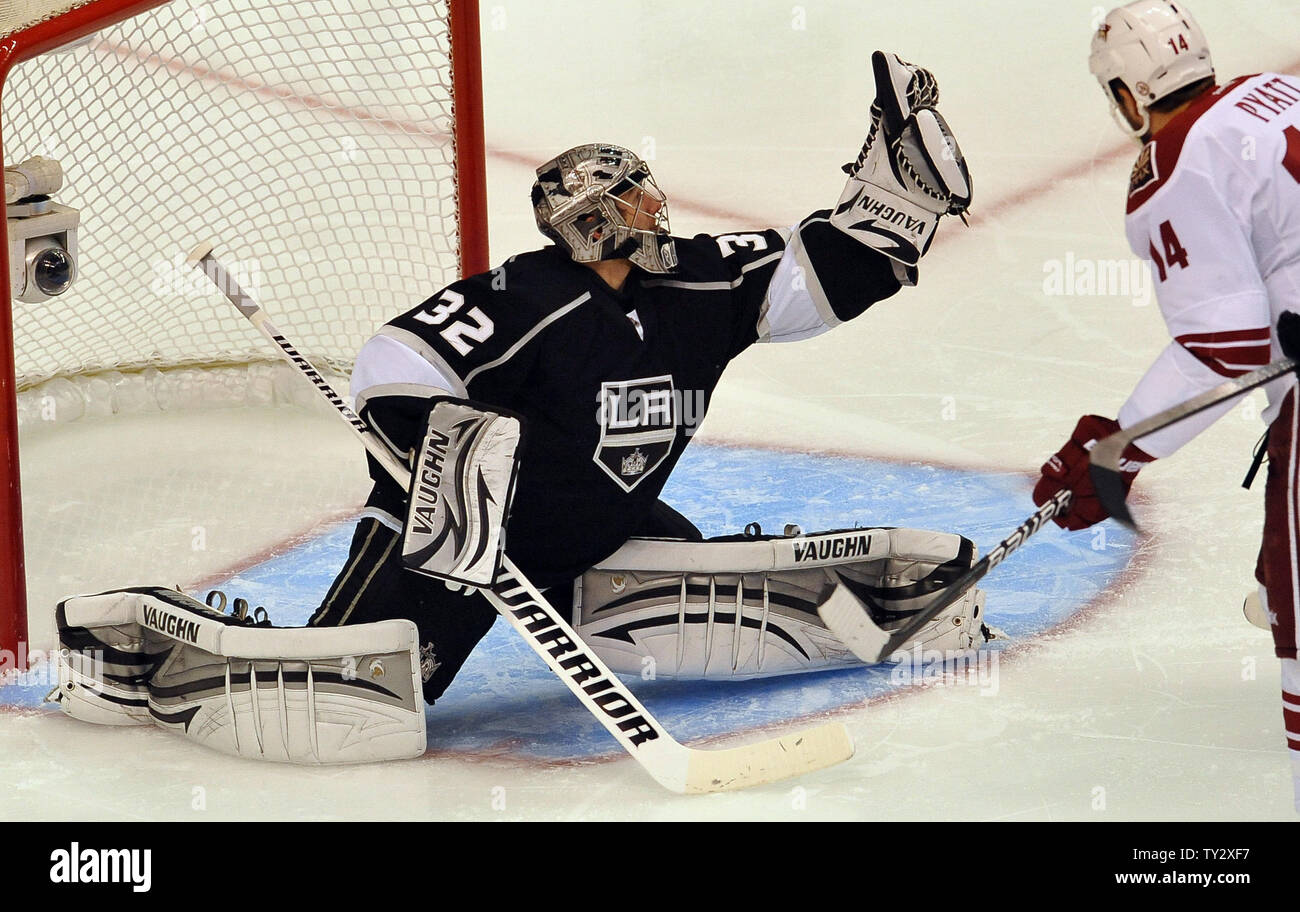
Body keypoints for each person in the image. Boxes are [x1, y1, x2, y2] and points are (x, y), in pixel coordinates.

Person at [50, 52, 985, 762]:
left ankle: (654, 578)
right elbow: (393, 361)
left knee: (683, 594)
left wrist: (893, 206)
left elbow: (815, 275)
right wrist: (459, 461)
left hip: (600, 523)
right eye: (638, 196)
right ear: (601, 218)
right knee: (364, 693)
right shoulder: (527, 296)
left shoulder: (700, 280)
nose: (660, 207)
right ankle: (148, 652)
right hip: (460, 534)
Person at [1032, 0, 1300, 807]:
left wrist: (1116, 453)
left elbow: (1227, 347)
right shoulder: (1275, 92)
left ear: (1127, 93)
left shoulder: (1174, 164)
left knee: (1298, 610)